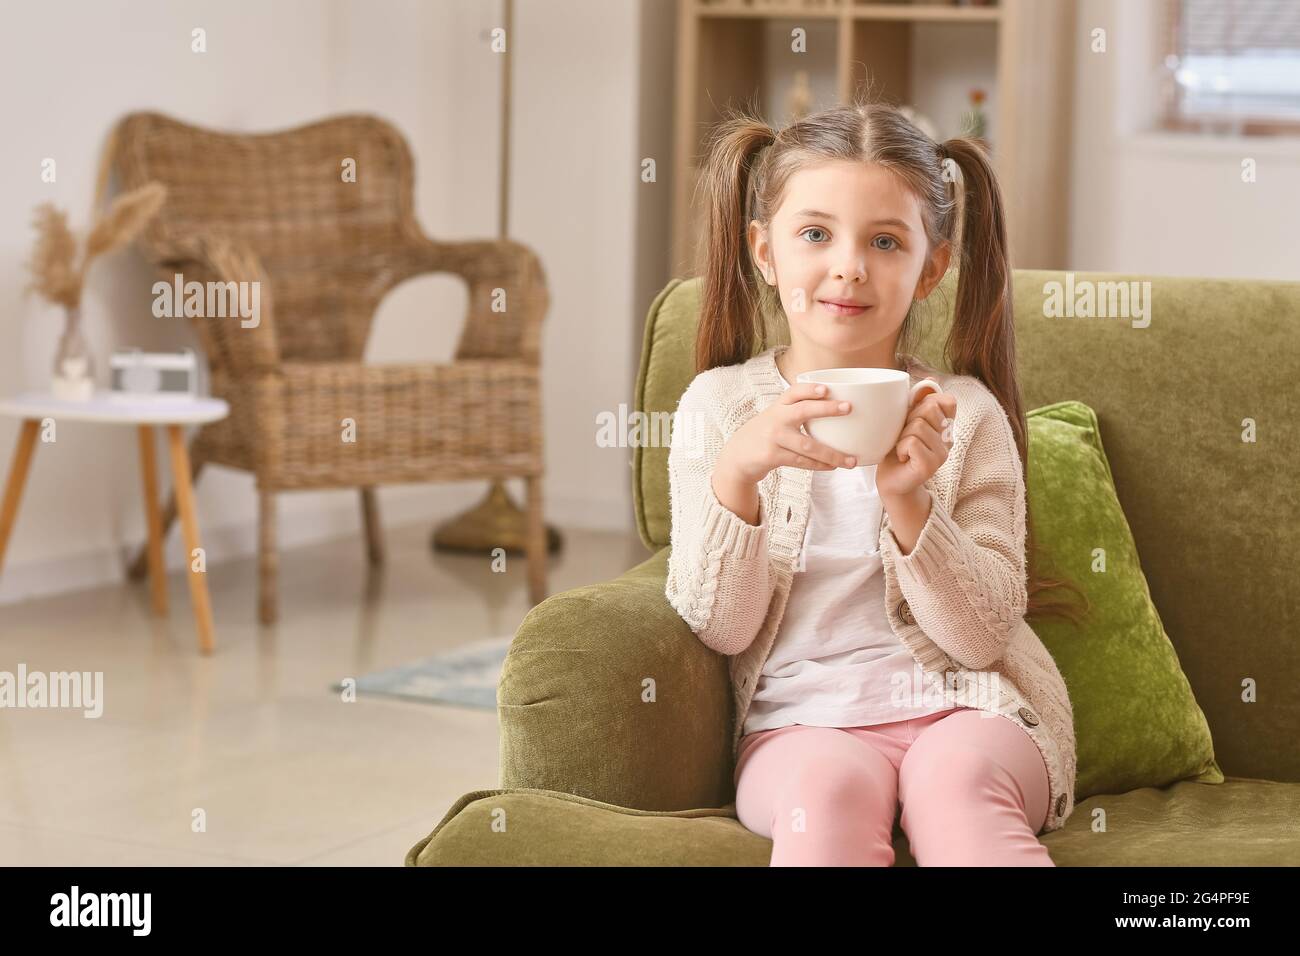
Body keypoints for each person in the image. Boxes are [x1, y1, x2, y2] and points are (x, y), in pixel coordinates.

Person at [664, 100, 1088, 866]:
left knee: (955, 786)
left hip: (968, 710)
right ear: (764, 251)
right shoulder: (718, 409)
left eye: (885, 241)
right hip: (801, 727)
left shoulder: (966, 415)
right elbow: (722, 629)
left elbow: (981, 635)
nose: (849, 266)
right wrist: (739, 472)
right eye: (815, 234)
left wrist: (909, 502)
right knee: (825, 797)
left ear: (932, 267)